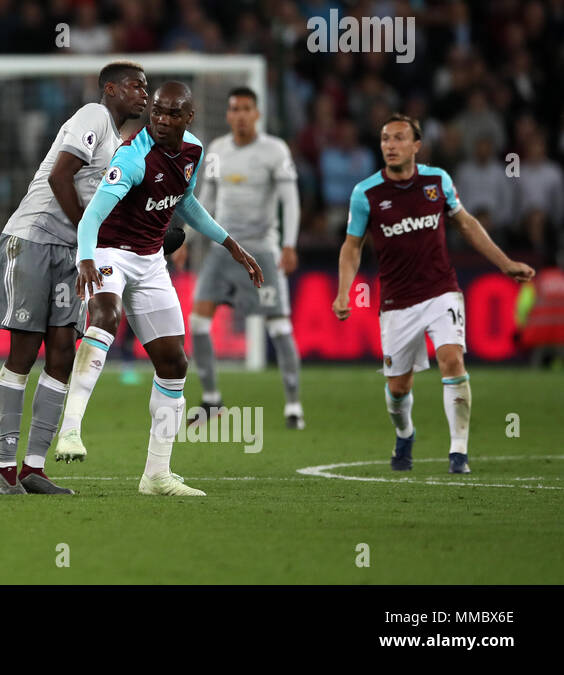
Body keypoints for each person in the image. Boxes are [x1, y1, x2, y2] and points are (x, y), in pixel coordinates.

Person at [71, 83, 262, 496]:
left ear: (188, 117)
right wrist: (85, 259)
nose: (161, 120)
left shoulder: (193, 150)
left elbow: (186, 202)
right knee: (105, 317)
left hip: (150, 259)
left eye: (173, 114)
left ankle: (156, 475)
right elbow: (90, 219)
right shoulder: (133, 157)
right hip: (108, 252)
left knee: (175, 364)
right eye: (157, 111)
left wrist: (230, 243)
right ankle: (71, 429)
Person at [333, 114, 534, 474]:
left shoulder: (437, 181)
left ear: (416, 145)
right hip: (396, 301)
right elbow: (352, 247)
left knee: (452, 359)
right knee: (398, 387)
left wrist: (505, 263)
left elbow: (467, 224)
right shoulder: (366, 193)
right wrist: (344, 291)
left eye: (398, 138)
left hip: (441, 291)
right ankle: (405, 433)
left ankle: (458, 451)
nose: (390, 146)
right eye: (384, 139)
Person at [0, 60, 148, 495]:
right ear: (111, 89)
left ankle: (33, 468)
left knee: (62, 352)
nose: (144, 94)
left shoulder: (120, 143)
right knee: (24, 351)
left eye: (146, 87)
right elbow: (61, 175)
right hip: (33, 238)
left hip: (69, 252)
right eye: (136, 86)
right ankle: (4, 469)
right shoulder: (92, 116)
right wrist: (89, 242)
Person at [172, 87, 306, 429]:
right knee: (199, 322)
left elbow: (290, 200)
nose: (241, 115)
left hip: (261, 249)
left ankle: (293, 405)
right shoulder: (216, 150)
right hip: (223, 249)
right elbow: (206, 199)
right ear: (228, 114)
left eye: (247, 108)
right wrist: (185, 236)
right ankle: (212, 400)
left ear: (257, 114)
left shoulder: (275, 150)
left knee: (279, 324)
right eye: (235, 109)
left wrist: (289, 244)